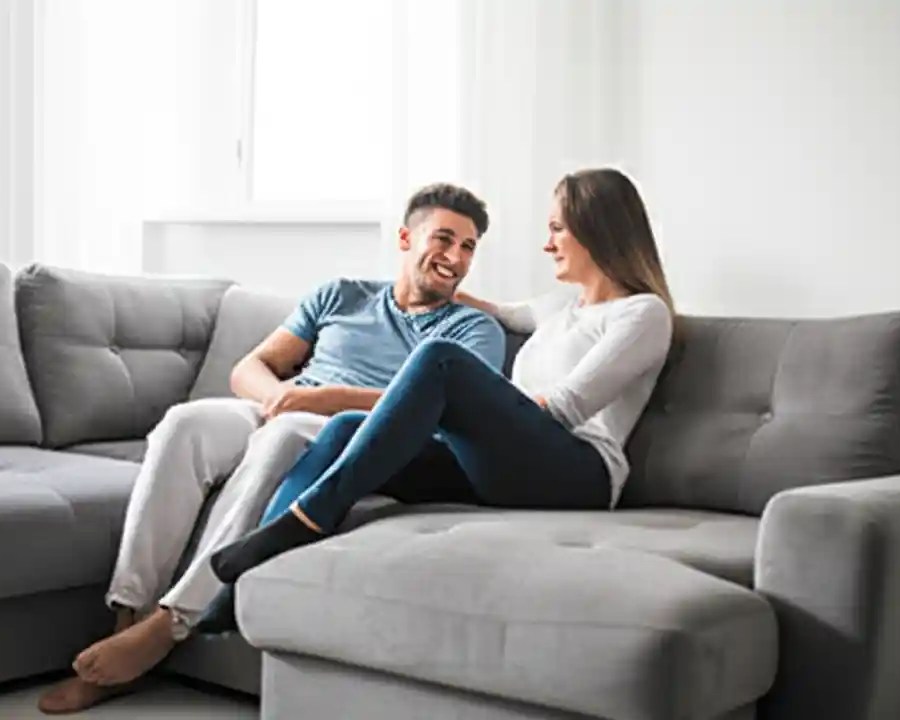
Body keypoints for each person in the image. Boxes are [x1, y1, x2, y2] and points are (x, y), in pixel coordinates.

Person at [38, 183, 505, 714]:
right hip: (281, 408)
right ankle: (127, 616)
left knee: (282, 438)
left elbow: (447, 406)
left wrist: (322, 399)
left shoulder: (474, 329)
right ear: (405, 237)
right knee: (183, 423)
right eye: (444, 238)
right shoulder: (341, 294)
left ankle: (173, 623)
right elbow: (248, 368)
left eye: (468, 247)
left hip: (351, 429)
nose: (455, 257)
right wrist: (279, 395)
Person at [202, 168, 676, 627]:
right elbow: (496, 310)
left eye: (557, 230)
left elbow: (567, 407)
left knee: (441, 359)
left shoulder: (642, 314)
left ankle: (306, 518)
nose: (546, 244)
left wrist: (480, 410)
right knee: (346, 427)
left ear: (596, 229)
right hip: (512, 465)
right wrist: (419, 272)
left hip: (578, 474)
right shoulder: (558, 306)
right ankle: (239, 584)